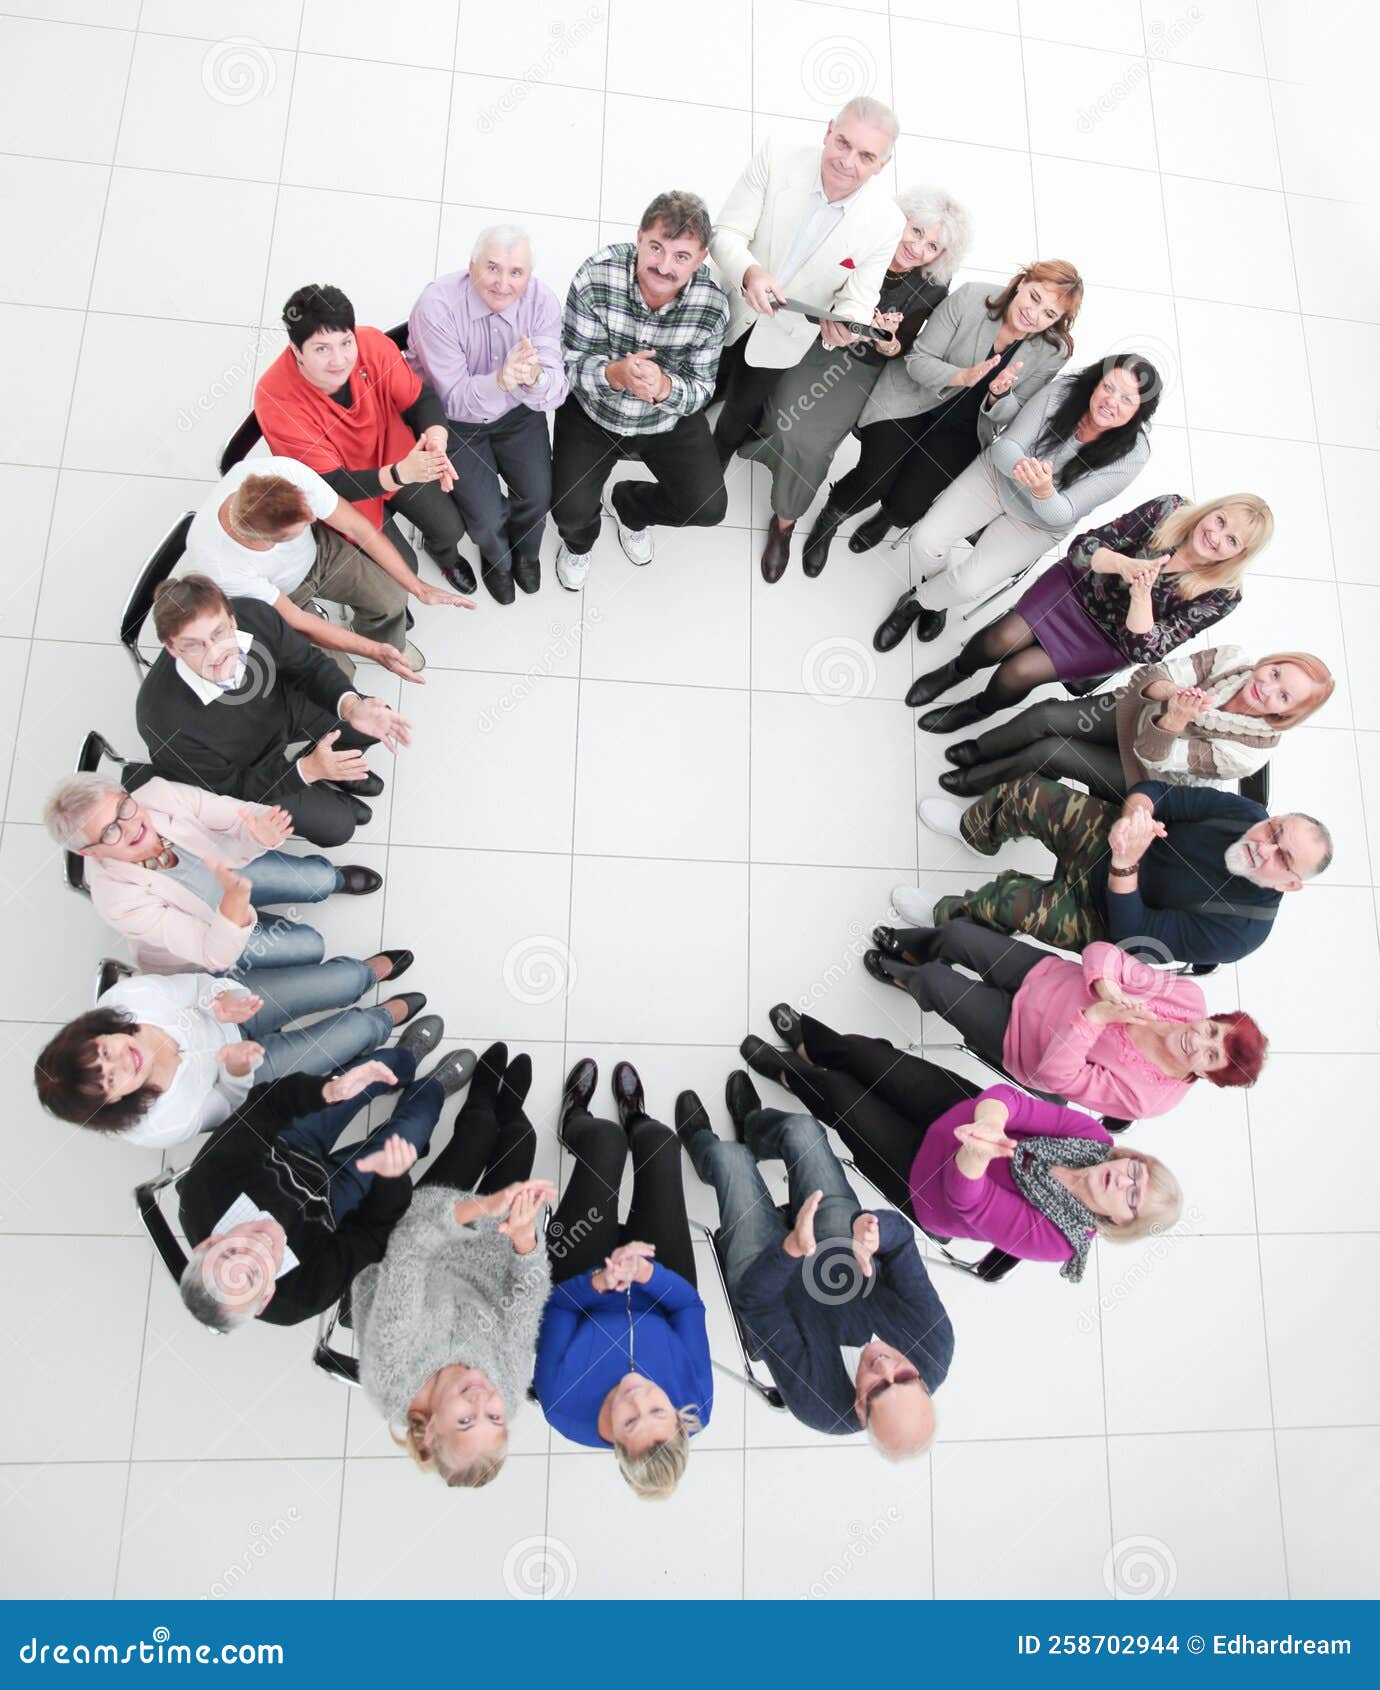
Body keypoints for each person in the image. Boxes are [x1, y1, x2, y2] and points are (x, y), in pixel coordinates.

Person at [741, 1012, 1182, 1280]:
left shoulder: (1059, 1241)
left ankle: (790, 1073)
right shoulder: (1095, 1141)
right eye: (1136, 1172)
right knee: (862, 1054)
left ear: (1121, 1221)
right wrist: (991, 1119)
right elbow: (1012, 1102)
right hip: (958, 1110)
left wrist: (973, 1158)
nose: (1125, 1180)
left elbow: (967, 1203)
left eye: (1133, 1197)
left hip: (925, 1180)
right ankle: (811, 1044)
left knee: (839, 1098)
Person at [678, 1066, 952, 1454]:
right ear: (923, 1382)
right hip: (844, 1247)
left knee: (729, 1160)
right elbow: (902, 1243)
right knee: (804, 1130)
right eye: (904, 1377)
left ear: (859, 1410)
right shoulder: (936, 1346)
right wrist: (874, 1231)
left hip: (771, 1285)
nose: (884, 1366)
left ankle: (704, 1147)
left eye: (877, 1388)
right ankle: (755, 1128)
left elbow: (755, 1303)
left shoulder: (818, 1404)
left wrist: (790, 1249)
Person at [176, 1017, 474, 1331]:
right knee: (413, 1131)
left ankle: (405, 1059)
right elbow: (371, 1235)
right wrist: (391, 1179)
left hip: (287, 1146)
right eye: (255, 1274)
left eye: (232, 1252)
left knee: (373, 1071)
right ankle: (432, 1088)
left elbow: (265, 1109)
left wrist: (327, 1091)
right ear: (266, 1297)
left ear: (209, 1243)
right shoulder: (300, 1299)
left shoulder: (202, 1192)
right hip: (334, 1203)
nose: (260, 1244)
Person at [741, 186, 970, 582]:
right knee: (782, 421)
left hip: (860, 365)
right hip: (815, 336)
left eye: (932, 246)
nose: (918, 249)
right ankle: (769, 450)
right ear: (901, 220)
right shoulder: (864, 240)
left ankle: (785, 521)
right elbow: (811, 292)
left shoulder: (932, 287)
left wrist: (886, 339)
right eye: (916, 232)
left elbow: (904, 348)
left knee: (812, 444)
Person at [353, 1042, 555, 1489]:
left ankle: (483, 1090)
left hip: (422, 1238)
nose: (483, 1399)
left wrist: (483, 1208)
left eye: (466, 1420)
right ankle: (512, 1104)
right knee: (521, 1138)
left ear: (428, 1428)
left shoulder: (394, 1371)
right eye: (495, 1417)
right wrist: (524, 1241)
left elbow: (408, 1249)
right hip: (488, 1259)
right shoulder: (506, 1389)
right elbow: (525, 1306)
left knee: (479, 1131)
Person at [912, 492, 1276, 737]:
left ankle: (979, 707)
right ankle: (955, 671)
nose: (1216, 536)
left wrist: (1141, 598)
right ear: (1211, 510)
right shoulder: (1169, 509)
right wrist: (1122, 564)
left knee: (1018, 671)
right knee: (1000, 639)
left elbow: (1145, 653)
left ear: (1238, 556)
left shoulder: (1223, 594)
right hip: (1077, 587)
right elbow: (1084, 548)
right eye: (1221, 521)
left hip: (1109, 639)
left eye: (1232, 541)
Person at [890, 354, 1161, 680]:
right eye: (1108, 387)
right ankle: (935, 590)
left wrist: (1044, 492)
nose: (1110, 401)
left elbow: (1064, 513)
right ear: (1096, 382)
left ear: (1140, 411)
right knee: (924, 541)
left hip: (1038, 523)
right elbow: (1006, 448)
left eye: (1126, 399)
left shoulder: (1133, 454)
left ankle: (919, 603)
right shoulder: (1065, 392)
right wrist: (1030, 477)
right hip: (996, 478)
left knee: (967, 585)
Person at [814, 261, 1082, 581]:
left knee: (908, 508)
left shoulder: (1053, 352)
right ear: (1022, 282)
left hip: (966, 428)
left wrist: (999, 396)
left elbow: (1017, 414)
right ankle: (832, 515)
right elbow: (917, 360)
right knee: (873, 479)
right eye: (1035, 297)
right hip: (911, 399)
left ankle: (886, 517)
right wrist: (961, 376)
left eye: (1049, 314)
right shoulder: (971, 298)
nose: (1034, 315)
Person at [899, 776, 1333, 964]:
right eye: (1275, 831)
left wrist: (1126, 865)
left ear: (1291, 884)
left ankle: (939, 922)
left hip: (1106, 915)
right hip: (1114, 839)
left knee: (1011, 902)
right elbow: (1161, 795)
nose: (1264, 846)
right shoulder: (1246, 813)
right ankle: (973, 831)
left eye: (1283, 857)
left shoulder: (1244, 931)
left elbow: (1134, 940)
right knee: (1027, 795)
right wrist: (1135, 815)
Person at [864, 923, 1268, 1121]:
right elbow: (1103, 952)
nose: (1199, 1040)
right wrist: (1108, 989)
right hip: (1043, 975)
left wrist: (1095, 1018)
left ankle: (906, 975)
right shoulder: (1186, 1000)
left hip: (1019, 1039)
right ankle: (913, 945)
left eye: (1211, 1055)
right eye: (1212, 1030)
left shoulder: (1148, 1098)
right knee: (956, 935)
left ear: (1207, 1075)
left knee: (936, 982)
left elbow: (1056, 1077)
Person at [534, 1059, 711, 1499]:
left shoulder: (560, 1404)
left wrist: (600, 1280)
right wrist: (647, 1274)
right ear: (679, 1418)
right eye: (657, 1408)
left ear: (614, 1443)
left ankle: (575, 1121)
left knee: (605, 1144)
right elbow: (688, 1306)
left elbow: (555, 1306)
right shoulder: (696, 1402)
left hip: (580, 1285)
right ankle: (636, 1118)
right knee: (660, 1143)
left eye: (630, 1420)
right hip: (658, 1282)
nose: (637, 1397)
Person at [709, 98, 905, 487]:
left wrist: (849, 324)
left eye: (866, 156)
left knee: (741, 408)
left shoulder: (887, 224)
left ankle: (710, 469)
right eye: (843, 143)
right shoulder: (777, 156)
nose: (848, 162)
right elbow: (725, 234)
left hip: (786, 335)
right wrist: (750, 271)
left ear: (882, 165)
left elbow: (859, 298)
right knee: (703, 377)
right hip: (727, 301)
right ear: (828, 130)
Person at [135, 575, 412, 848]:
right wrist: (305, 771)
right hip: (252, 767)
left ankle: (328, 766)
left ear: (232, 618)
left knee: (374, 722)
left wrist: (352, 706)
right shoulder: (160, 720)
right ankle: (317, 773)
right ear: (171, 648)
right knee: (340, 827)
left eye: (218, 632)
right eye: (193, 645)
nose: (215, 653)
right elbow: (229, 789)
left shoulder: (252, 614)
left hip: (288, 706)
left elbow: (308, 665)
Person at [34, 963, 423, 1147]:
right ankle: (382, 1019)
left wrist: (219, 1000)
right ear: (114, 1101)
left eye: (105, 1050)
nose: (124, 1060)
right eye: (111, 1080)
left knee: (343, 980)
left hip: (230, 1008)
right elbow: (231, 1105)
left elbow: (198, 985)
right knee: (357, 1032)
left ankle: (366, 976)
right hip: (243, 1071)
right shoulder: (161, 1124)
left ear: (100, 1032)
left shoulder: (127, 1001)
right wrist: (237, 1067)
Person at [550, 192, 730, 591]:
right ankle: (579, 545)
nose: (663, 267)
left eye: (681, 256)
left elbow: (701, 390)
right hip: (593, 413)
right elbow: (569, 363)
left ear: (700, 259)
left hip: (664, 419)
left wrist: (666, 387)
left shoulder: (712, 306)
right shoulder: (595, 276)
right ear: (639, 238)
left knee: (708, 506)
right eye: (656, 248)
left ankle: (629, 506)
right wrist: (615, 373)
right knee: (569, 510)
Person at [44, 773, 380, 976]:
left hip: (230, 871)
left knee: (317, 879)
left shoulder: (158, 794)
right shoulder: (117, 902)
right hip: (210, 931)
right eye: (109, 832)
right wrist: (234, 903)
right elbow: (214, 953)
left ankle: (332, 880)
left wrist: (259, 833)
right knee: (309, 947)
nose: (131, 826)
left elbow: (238, 815)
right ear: (89, 852)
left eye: (123, 808)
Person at [254, 283, 474, 590]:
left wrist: (435, 439)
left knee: (450, 529)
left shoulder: (371, 342)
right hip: (344, 491)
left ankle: (444, 555)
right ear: (296, 351)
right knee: (401, 570)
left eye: (346, 343)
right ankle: (390, 598)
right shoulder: (275, 400)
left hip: (394, 452)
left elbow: (419, 399)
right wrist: (399, 474)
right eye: (322, 349)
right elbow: (332, 485)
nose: (340, 360)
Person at [186, 458, 472, 680]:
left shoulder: (285, 473)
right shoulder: (222, 567)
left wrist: (418, 588)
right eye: (296, 531)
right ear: (264, 541)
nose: (314, 517)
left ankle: (384, 639)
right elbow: (298, 619)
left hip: (321, 552)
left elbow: (358, 528)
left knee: (392, 597)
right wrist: (371, 652)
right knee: (338, 674)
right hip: (282, 598)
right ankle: (371, 657)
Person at [938, 644, 1333, 800]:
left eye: (1283, 696)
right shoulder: (1233, 660)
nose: (1267, 688)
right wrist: (1171, 697)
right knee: (1046, 715)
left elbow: (1152, 754)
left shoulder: (1246, 755)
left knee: (1051, 751)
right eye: (1277, 673)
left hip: (1142, 768)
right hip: (1134, 710)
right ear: (1272, 662)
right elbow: (1146, 678)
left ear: (1286, 713)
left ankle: (979, 780)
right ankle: (981, 748)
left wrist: (1175, 720)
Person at [408, 225, 568, 604]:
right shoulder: (437, 306)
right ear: (471, 266)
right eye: (492, 268)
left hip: (517, 410)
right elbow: (457, 399)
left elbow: (554, 392)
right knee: (483, 514)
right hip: (456, 420)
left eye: (516, 273)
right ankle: (496, 558)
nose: (503, 284)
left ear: (529, 275)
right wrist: (500, 380)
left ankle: (526, 553)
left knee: (537, 495)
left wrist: (534, 376)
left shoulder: (541, 301)